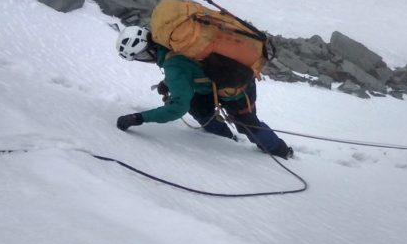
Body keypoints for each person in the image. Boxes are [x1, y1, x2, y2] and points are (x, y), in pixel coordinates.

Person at [114, 25, 293, 159]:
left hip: (237, 85)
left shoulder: (172, 65)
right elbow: (190, 67)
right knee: (199, 108)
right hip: (215, 82)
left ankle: (280, 151)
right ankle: (224, 138)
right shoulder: (173, 41)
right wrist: (168, 83)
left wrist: (139, 118)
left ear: (148, 49)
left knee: (246, 123)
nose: (145, 59)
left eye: (142, 56)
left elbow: (177, 108)